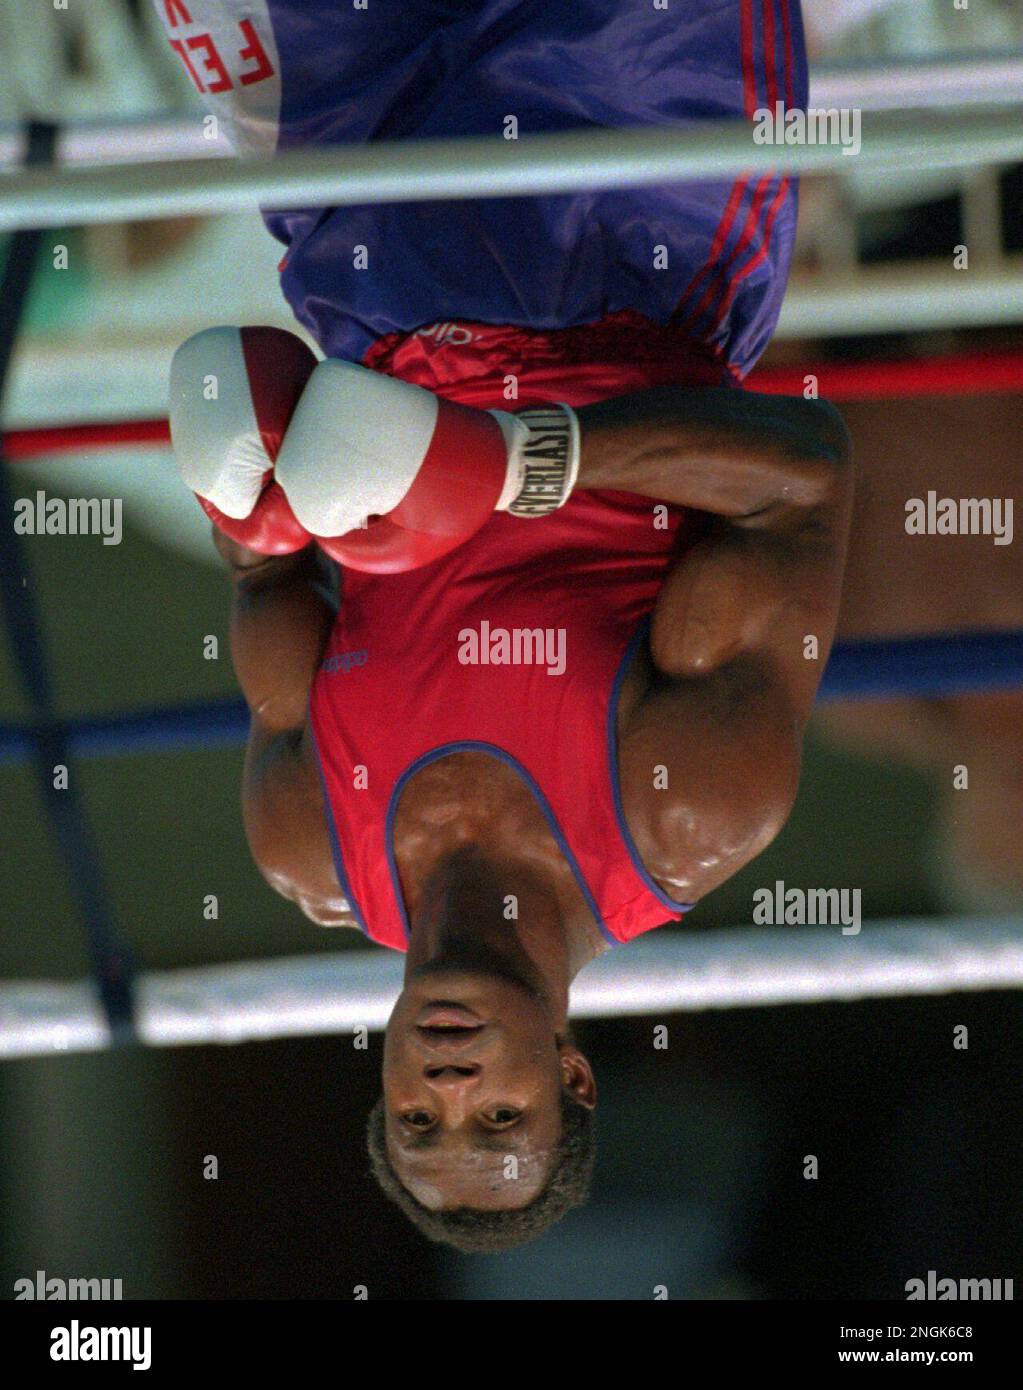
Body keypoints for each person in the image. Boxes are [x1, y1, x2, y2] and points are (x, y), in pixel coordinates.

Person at [159, 0, 854, 1250]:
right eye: (497, 1120)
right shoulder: (681, 810)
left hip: (365, 252)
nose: (452, 1091)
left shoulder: (311, 840)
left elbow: (265, 561)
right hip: (626, 236)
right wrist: (519, 462)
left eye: (418, 1122)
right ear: (572, 1076)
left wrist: (237, 490)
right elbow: (805, 473)